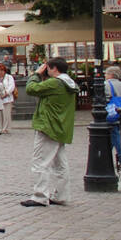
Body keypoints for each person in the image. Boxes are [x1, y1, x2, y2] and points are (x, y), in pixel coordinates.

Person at [21, 57, 78, 207]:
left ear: (53, 68)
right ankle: (61, 195)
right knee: (60, 164)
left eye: (48, 68)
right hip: (61, 127)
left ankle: (40, 196)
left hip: (48, 126)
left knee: (40, 161)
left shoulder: (55, 82)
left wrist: (37, 74)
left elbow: (31, 89)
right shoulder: (69, 83)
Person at [0, 61, 17, 135]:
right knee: (0, 115)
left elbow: (12, 86)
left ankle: (6, 128)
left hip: (7, 98)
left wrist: (6, 93)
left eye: (2, 71)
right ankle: (1, 127)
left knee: (6, 114)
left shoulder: (9, 77)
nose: (0, 72)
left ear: (4, 71)